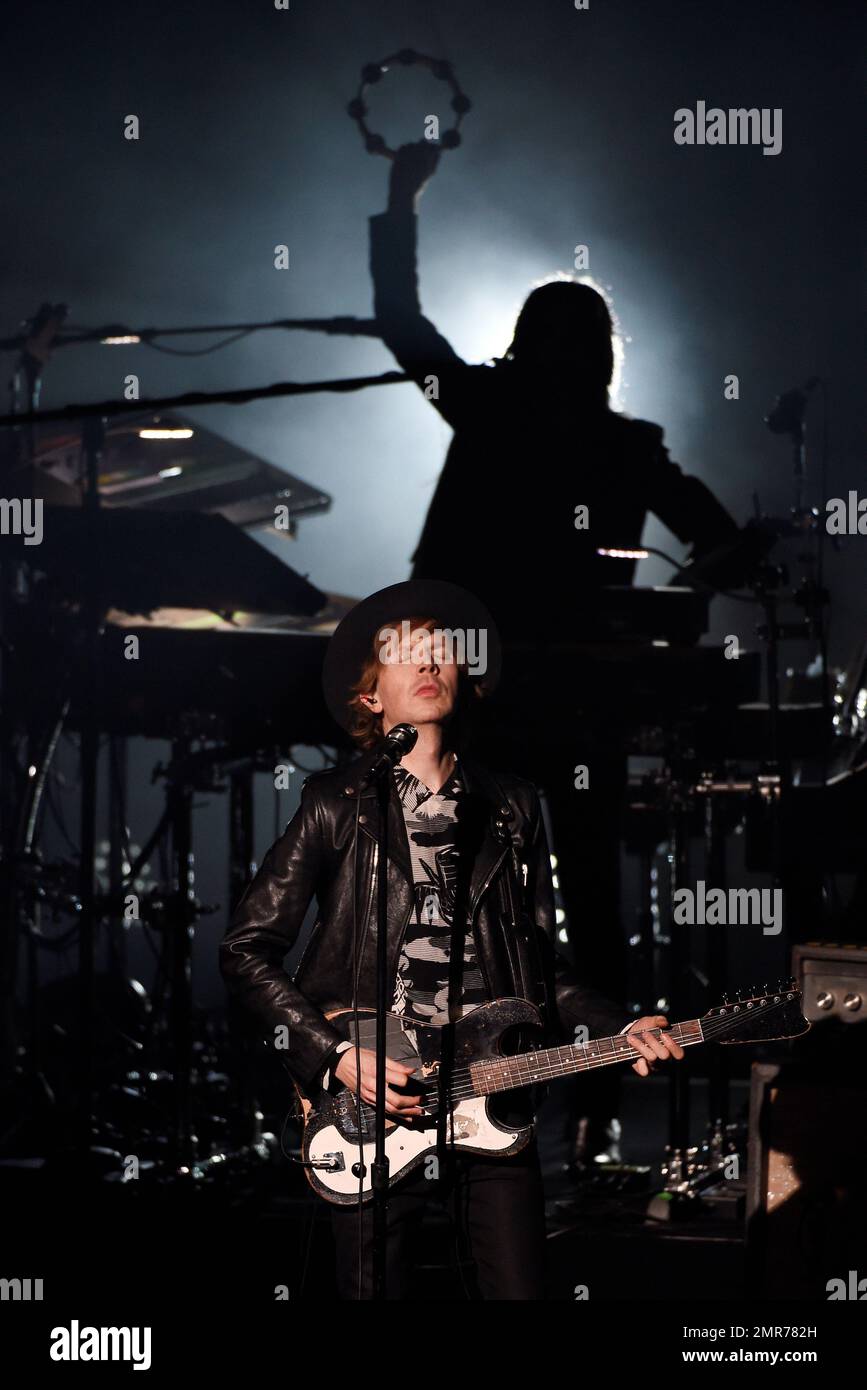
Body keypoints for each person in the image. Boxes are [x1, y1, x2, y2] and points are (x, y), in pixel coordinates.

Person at [368, 145, 740, 1167]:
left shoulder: (493, 409)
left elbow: (401, 326)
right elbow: (720, 544)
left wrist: (400, 199)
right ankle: (591, 1114)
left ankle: (451, 1107)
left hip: (479, 696)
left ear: (525, 346)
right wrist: (683, 605)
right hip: (576, 697)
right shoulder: (626, 447)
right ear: (604, 357)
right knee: (584, 896)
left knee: (444, 894)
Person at [219, 579, 685, 1300]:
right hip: (375, 1101)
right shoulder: (334, 804)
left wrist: (620, 1026)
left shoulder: (513, 807)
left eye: (440, 649)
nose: (428, 662)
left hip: (489, 1094)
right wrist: (334, 1056)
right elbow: (245, 950)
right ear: (370, 696)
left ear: (467, 677)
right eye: (403, 654)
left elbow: (539, 966)